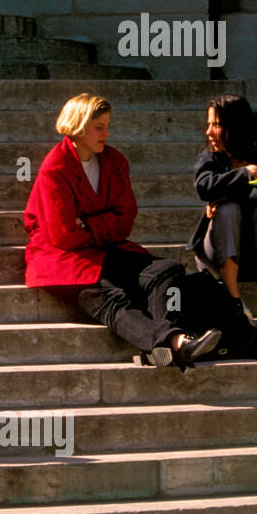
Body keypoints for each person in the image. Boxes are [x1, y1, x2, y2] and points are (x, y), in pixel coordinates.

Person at [24, 93, 222, 368]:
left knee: (165, 270)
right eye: (99, 127)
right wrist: (104, 222)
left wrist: (88, 223)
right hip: (62, 257)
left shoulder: (115, 161)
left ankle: (160, 349)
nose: (107, 133)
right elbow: (64, 235)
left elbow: (125, 218)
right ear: (78, 126)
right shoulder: (55, 168)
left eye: (107, 125)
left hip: (103, 248)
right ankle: (176, 342)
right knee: (109, 297)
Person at [188, 94, 257, 325]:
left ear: (235, 126)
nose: (208, 132)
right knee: (227, 210)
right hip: (217, 254)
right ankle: (234, 299)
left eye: (216, 125)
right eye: (208, 124)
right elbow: (205, 188)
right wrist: (248, 174)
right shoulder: (210, 158)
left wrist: (227, 192)